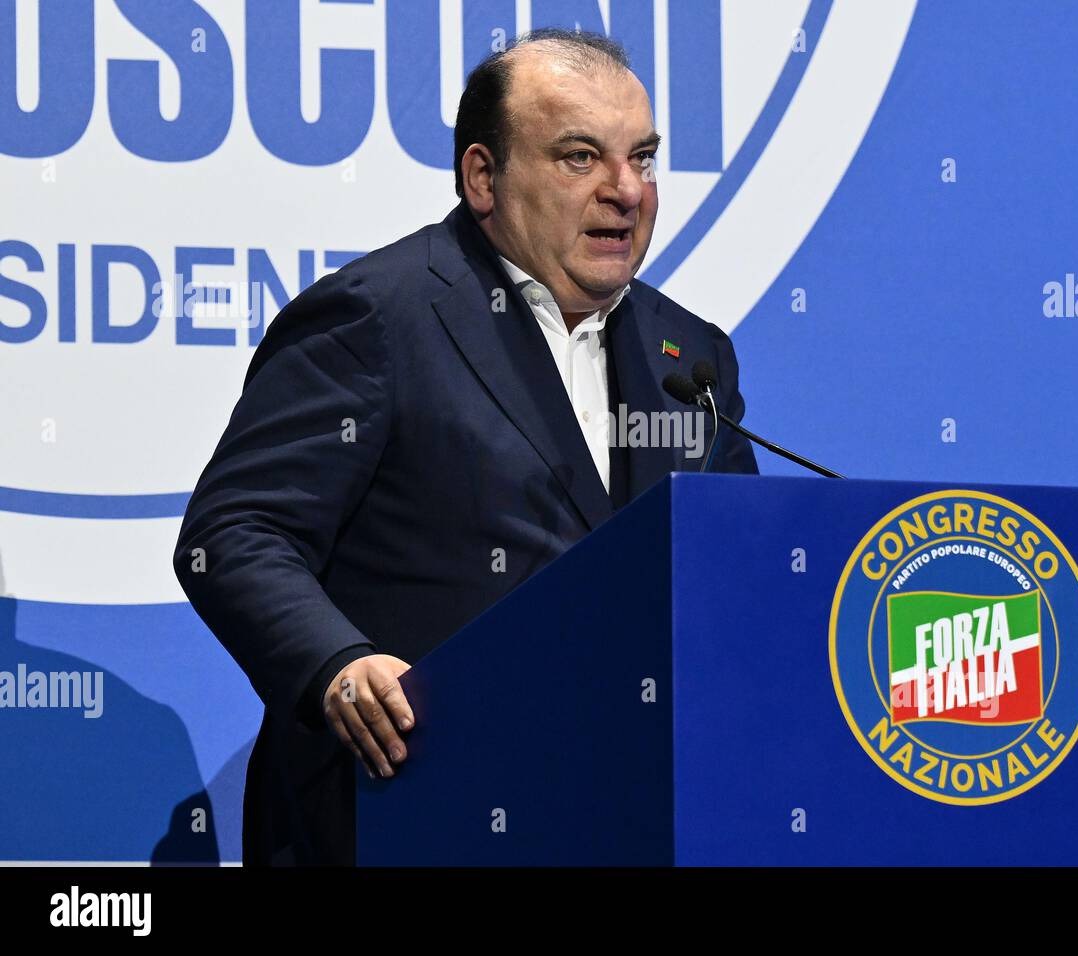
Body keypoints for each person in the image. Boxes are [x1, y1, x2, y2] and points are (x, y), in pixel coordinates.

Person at [174, 28, 758, 866]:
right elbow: (233, 534)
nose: (627, 191)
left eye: (644, 158)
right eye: (581, 157)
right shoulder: (379, 319)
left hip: (627, 819)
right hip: (404, 814)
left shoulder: (690, 355)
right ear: (484, 177)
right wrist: (338, 665)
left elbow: (725, 574)